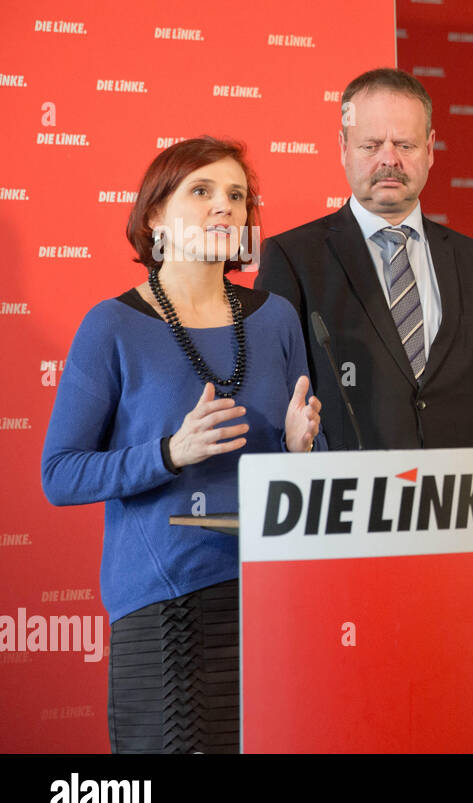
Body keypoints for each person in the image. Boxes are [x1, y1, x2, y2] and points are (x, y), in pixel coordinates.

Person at [41, 136, 323, 753]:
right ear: (154, 217)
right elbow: (60, 474)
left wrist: (304, 452)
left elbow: (303, 463)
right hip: (167, 603)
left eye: (237, 195)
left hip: (275, 597)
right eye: (202, 191)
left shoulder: (275, 317)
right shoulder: (112, 325)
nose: (225, 207)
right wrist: (170, 452)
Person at [255, 67, 473, 449]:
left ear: (430, 149)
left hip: (460, 498)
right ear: (343, 148)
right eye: (371, 145)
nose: (390, 160)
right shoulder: (293, 258)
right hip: (348, 498)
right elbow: (274, 397)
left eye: (405, 145)